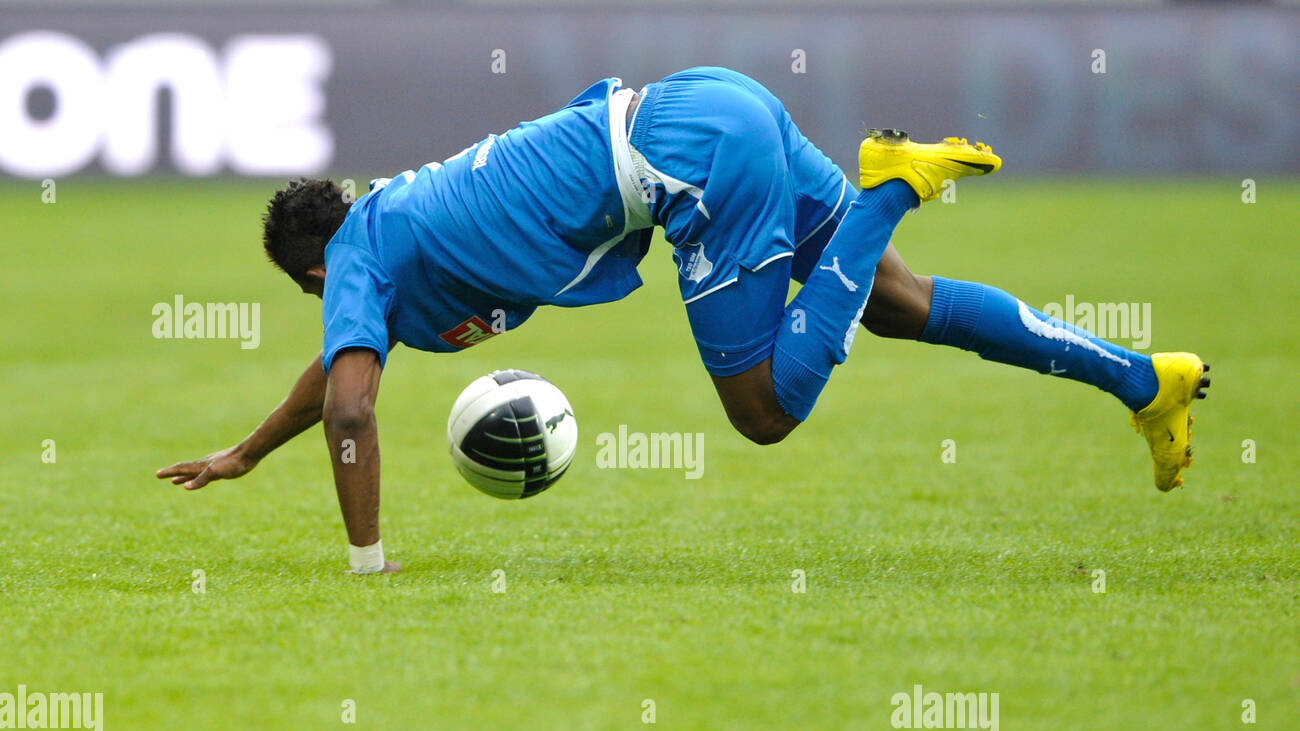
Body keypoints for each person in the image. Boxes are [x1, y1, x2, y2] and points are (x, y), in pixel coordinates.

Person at [157, 66, 1209, 574]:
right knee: (891, 299)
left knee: (760, 409)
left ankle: (889, 185)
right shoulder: (387, 216)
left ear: (313, 266)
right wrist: (249, 450)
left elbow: (351, 397)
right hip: (709, 101)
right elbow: (334, 368)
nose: (332, 310)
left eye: (318, 295)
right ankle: (1141, 381)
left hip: (687, 164)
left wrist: (365, 561)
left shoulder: (353, 256)